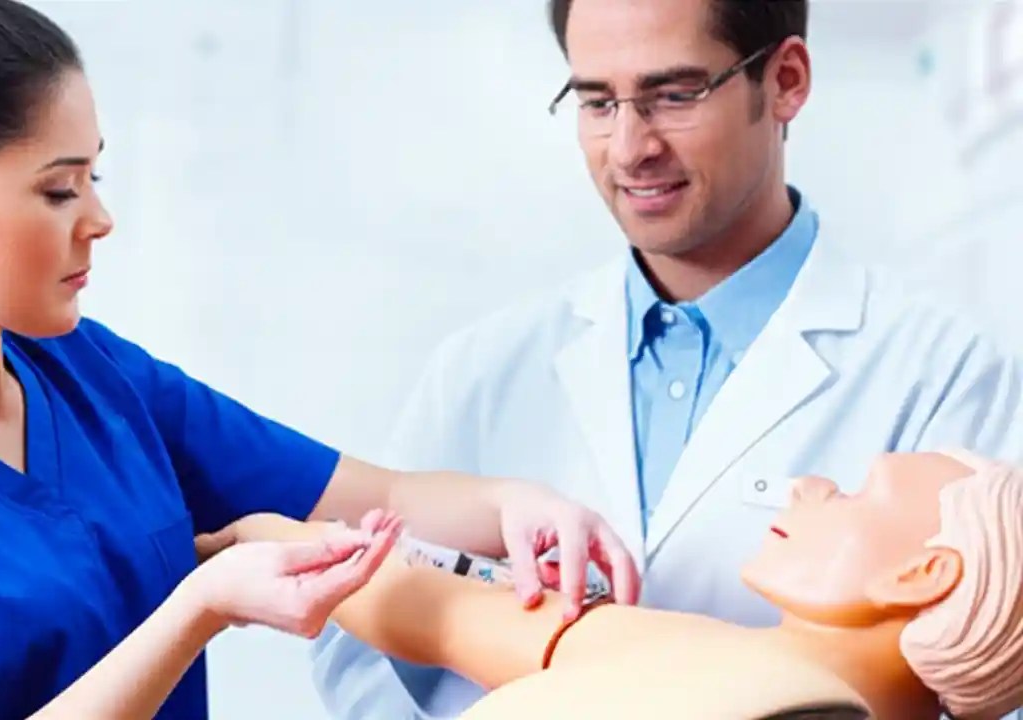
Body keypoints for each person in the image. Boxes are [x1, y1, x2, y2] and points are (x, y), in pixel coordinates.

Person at [0, 1, 643, 718]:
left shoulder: (88, 375)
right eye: (59, 188)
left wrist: (514, 505)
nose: (99, 217)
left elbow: (380, 500)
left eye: (96, 176)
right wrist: (197, 607)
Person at [311, 0, 1023, 717]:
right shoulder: (480, 370)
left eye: (674, 95)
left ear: (786, 81)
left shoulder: (945, 372)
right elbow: (356, 641)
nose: (628, 148)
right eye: (596, 101)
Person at [225, 449, 1023, 720]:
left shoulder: (719, 672)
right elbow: (427, 608)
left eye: (855, 491)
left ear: (925, 574)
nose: (810, 485)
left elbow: (425, 609)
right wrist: (245, 541)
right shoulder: (687, 655)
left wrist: (233, 549)